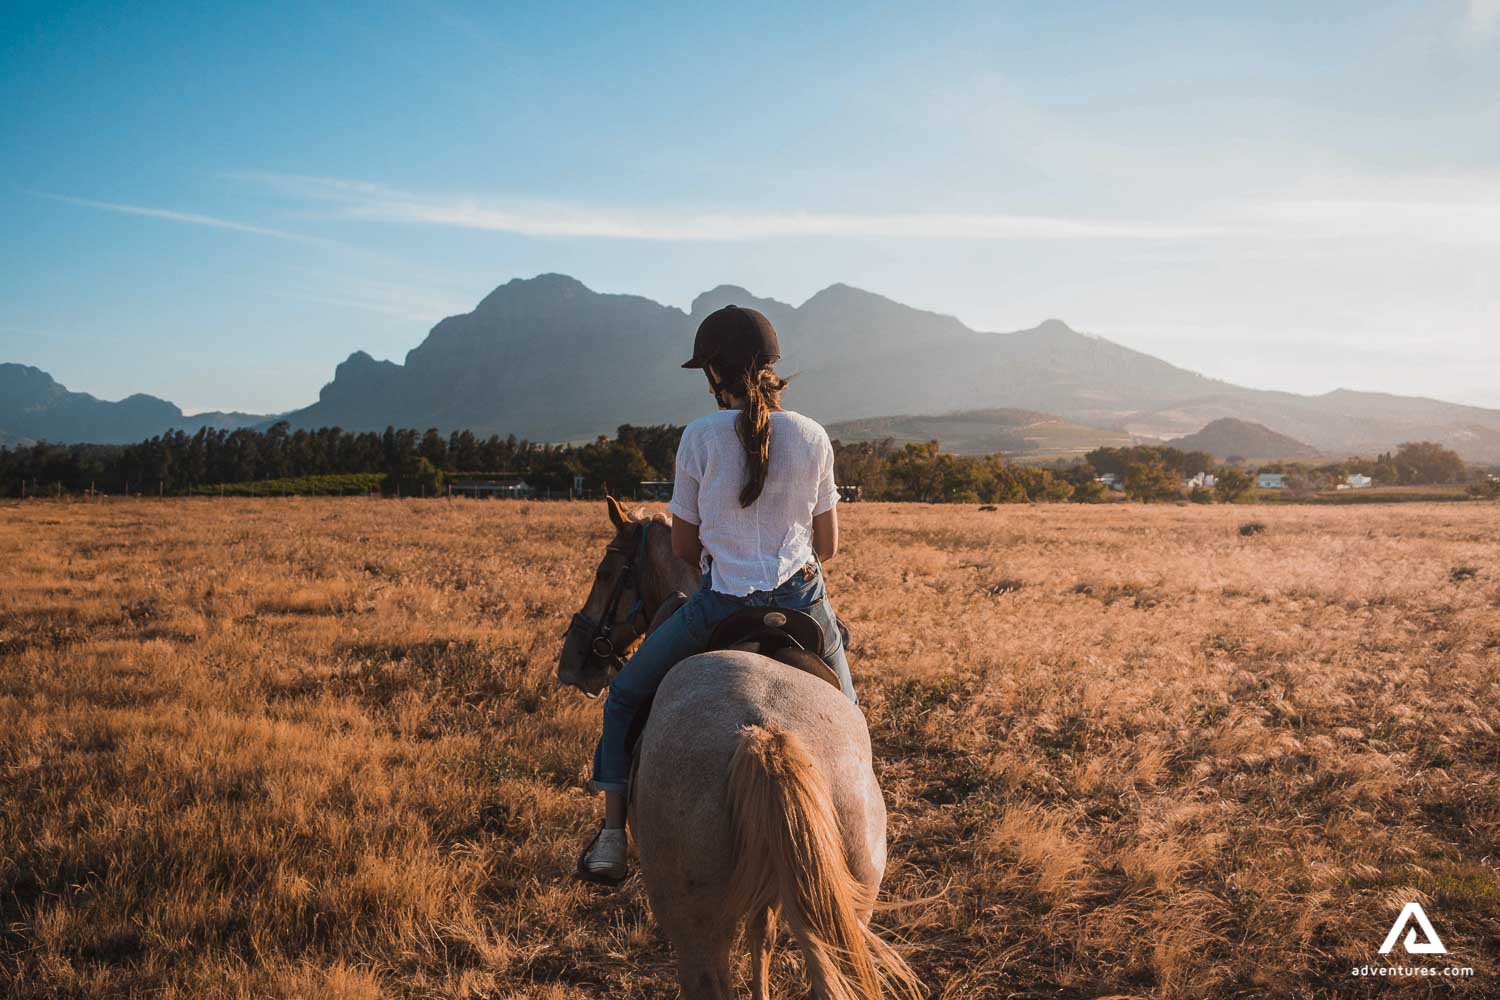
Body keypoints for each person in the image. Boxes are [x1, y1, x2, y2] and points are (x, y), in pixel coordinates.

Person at [579, 304, 857, 884]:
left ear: (713, 376)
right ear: (772, 367)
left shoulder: (699, 437)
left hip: (721, 605)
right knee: (850, 718)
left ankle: (609, 838)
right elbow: (827, 546)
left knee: (626, 696)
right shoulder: (812, 435)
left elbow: (683, 548)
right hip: (803, 602)